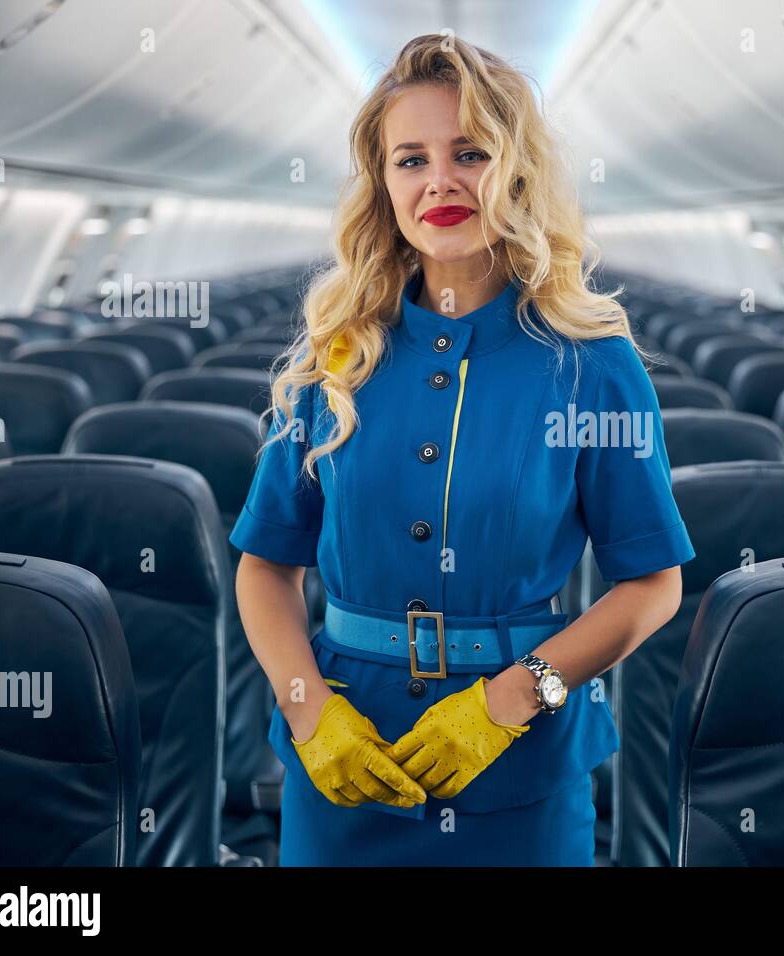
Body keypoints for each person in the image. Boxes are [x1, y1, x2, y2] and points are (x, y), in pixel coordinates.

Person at [230, 33, 694, 866]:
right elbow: (266, 566)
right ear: (384, 186)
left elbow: (653, 585)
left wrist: (515, 699)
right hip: (344, 761)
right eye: (410, 159)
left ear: (514, 172)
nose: (439, 181)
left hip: (522, 767)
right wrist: (306, 708)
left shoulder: (590, 363)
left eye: (470, 152)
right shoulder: (337, 356)